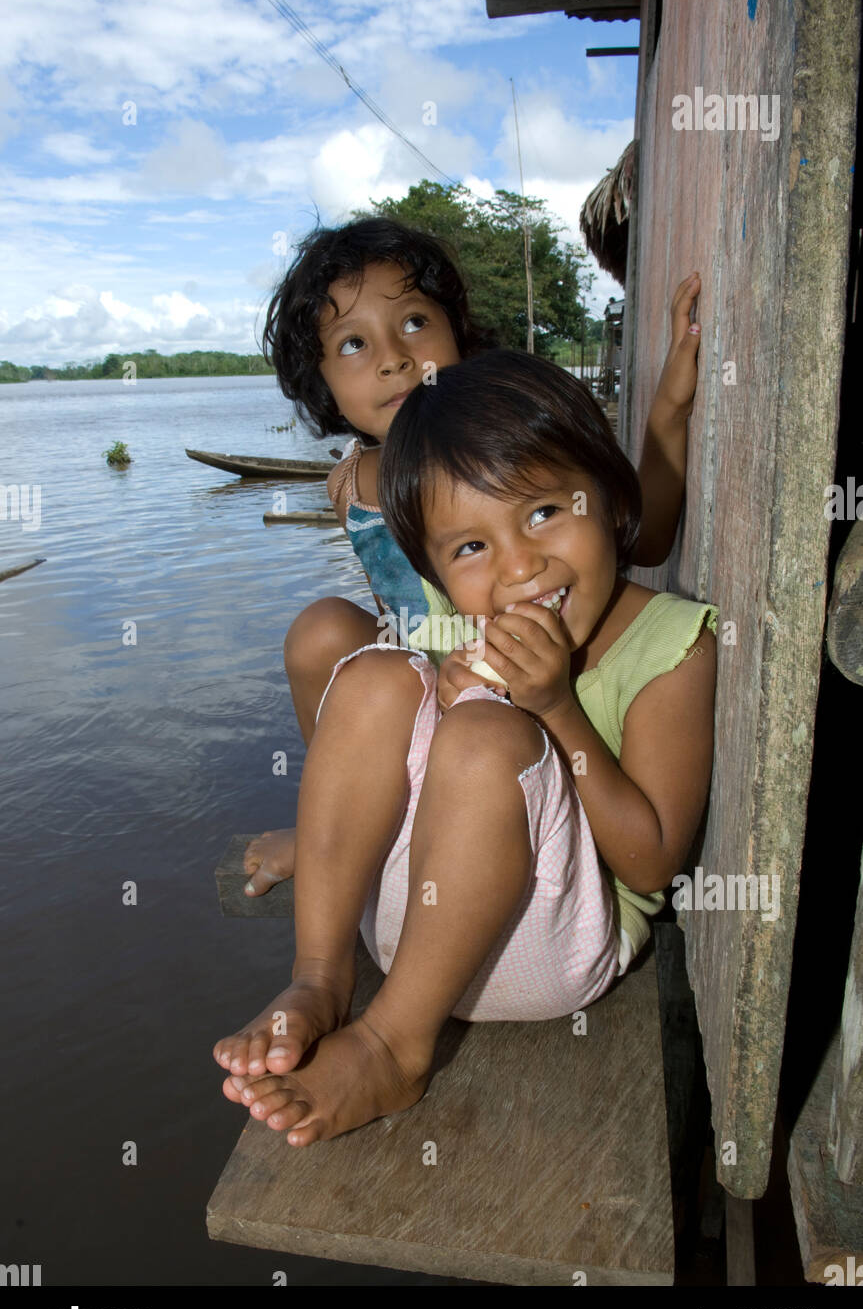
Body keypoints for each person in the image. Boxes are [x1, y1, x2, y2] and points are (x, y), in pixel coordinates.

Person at [213, 349, 717, 1147]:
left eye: (545, 512)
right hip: (414, 932)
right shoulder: (466, 629)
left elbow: (652, 864)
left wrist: (554, 708)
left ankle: (391, 1047)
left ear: (610, 498)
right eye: (470, 549)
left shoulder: (670, 647)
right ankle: (319, 975)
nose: (520, 568)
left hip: (554, 947)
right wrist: (442, 689)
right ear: (438, 574)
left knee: (484, 734)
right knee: (377, 675)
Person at [239, 216, 703, 896]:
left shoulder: (510, 440)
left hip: (526, 698)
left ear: (454, 328)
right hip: (443, 688)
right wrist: (436, 681)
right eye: (352, 344)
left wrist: (667, 409)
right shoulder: (351, 487)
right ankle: (340, 826)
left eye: (415, 322)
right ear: (322, 383)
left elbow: (645, 538)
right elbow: (399, 618)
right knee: (322, 635)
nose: (393, 357)